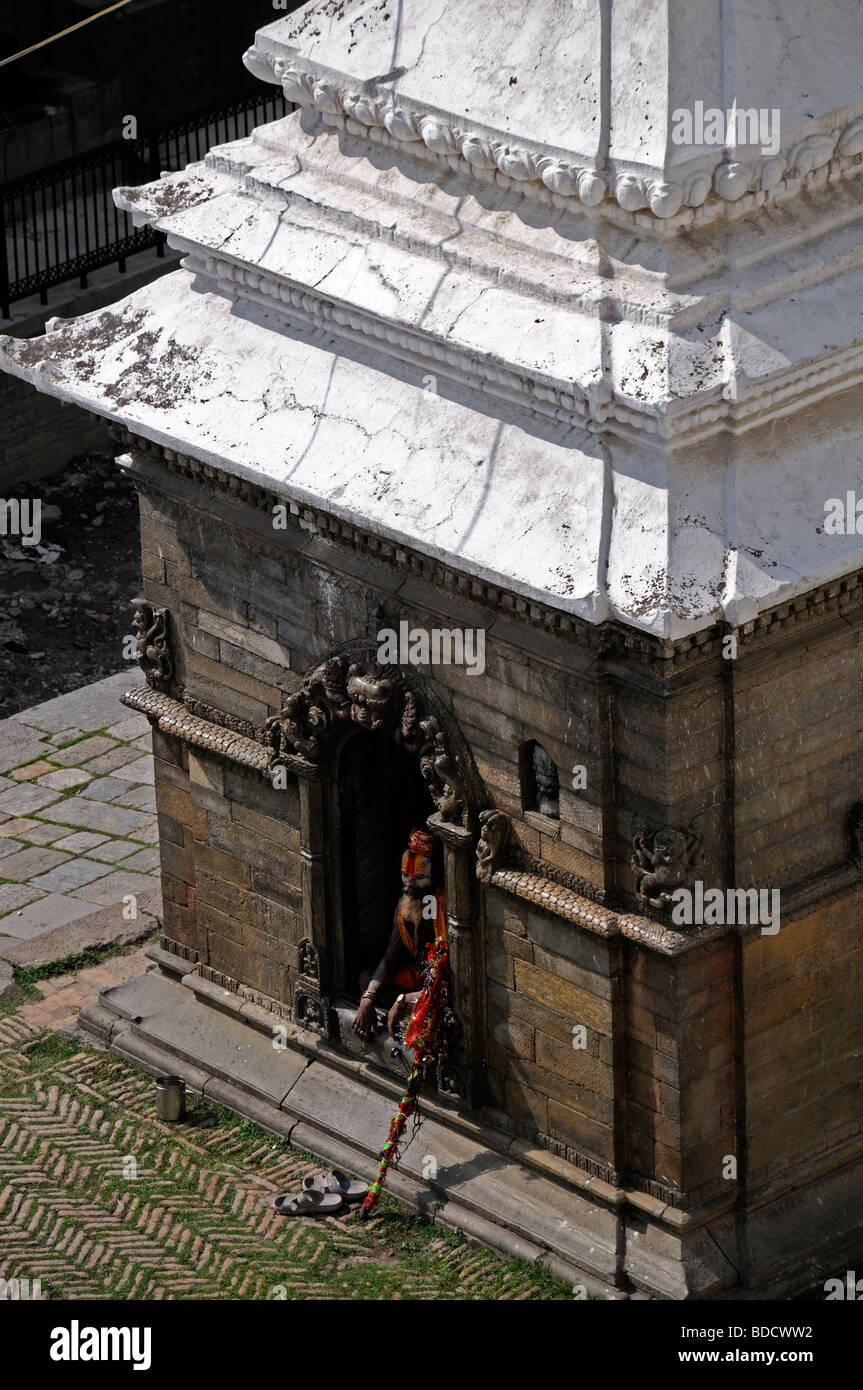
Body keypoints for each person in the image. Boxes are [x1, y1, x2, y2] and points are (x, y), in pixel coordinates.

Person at [352, 828, 447, 1042]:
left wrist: (403, 1000)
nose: (409, 883)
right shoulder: (406, 906)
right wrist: (368, 997)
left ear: (434, 880)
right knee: (367, 980)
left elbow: (443, 983)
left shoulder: (443, 911)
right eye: (406, 874)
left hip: (436, 989)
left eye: (419, 877)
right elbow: (390, 957)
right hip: (415, 979)